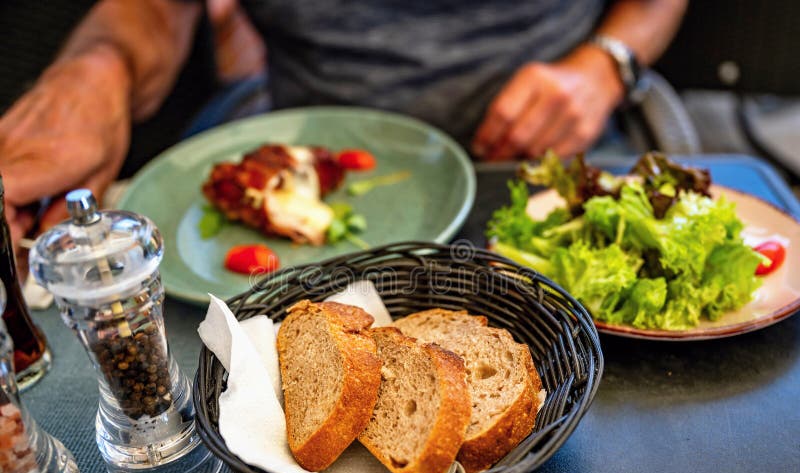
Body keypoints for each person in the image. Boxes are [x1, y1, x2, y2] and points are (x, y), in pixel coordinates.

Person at [0, 0, 686, 246]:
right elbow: (152, 11)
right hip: (307, 147)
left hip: (555, 160)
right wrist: (95, 71)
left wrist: (606, 64)